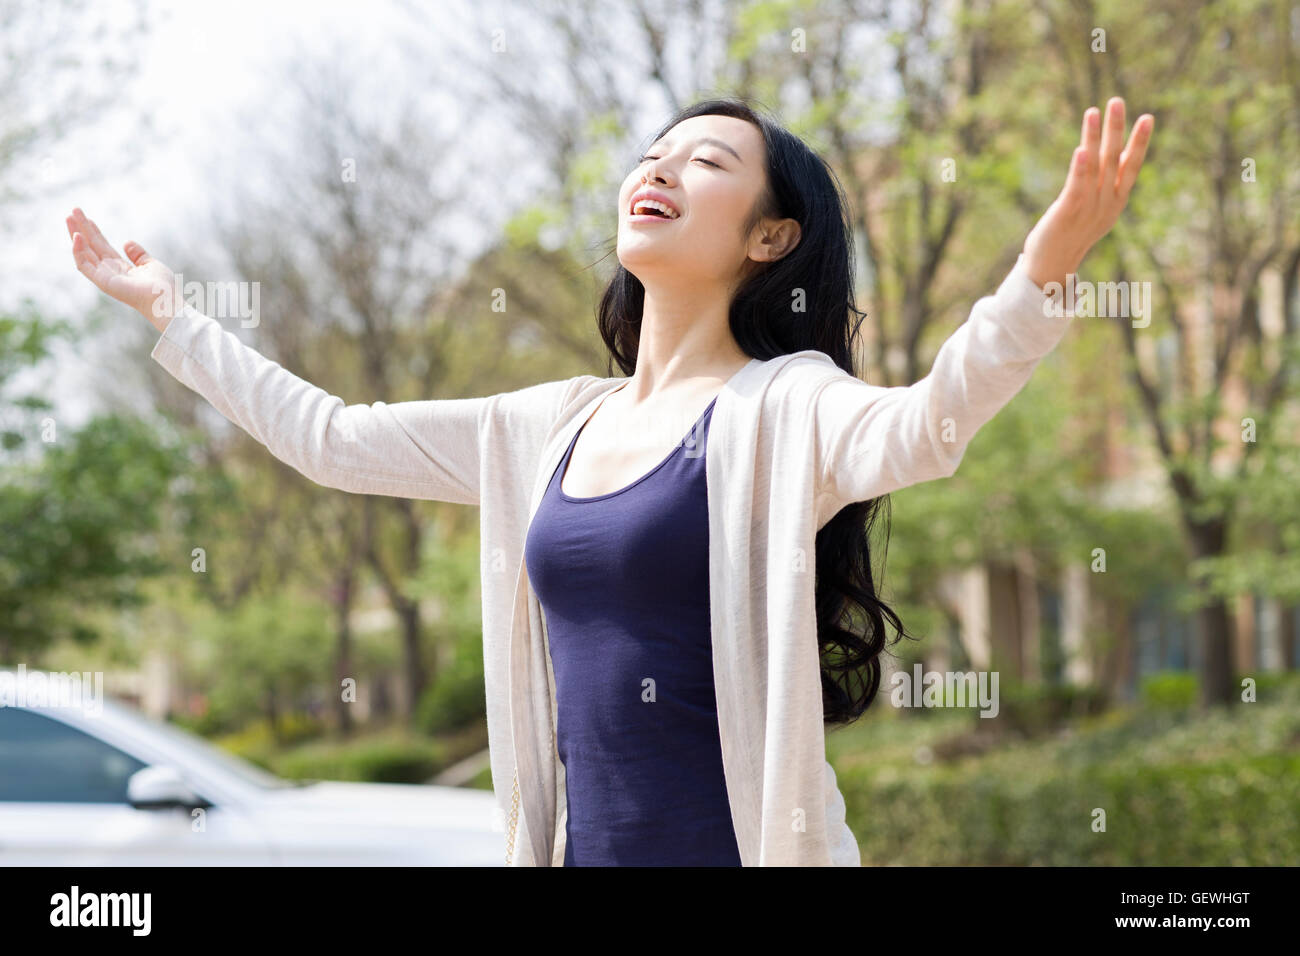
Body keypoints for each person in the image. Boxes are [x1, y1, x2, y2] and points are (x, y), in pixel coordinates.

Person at [67, 96, 1153, 866]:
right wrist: (177, 315)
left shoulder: (787, 406)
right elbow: (335, 440)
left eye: (707, 162)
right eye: (655, 154)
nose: (661, 169)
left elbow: (928, 427)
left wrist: (1041, 272)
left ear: (770, 236)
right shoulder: (546, 425)